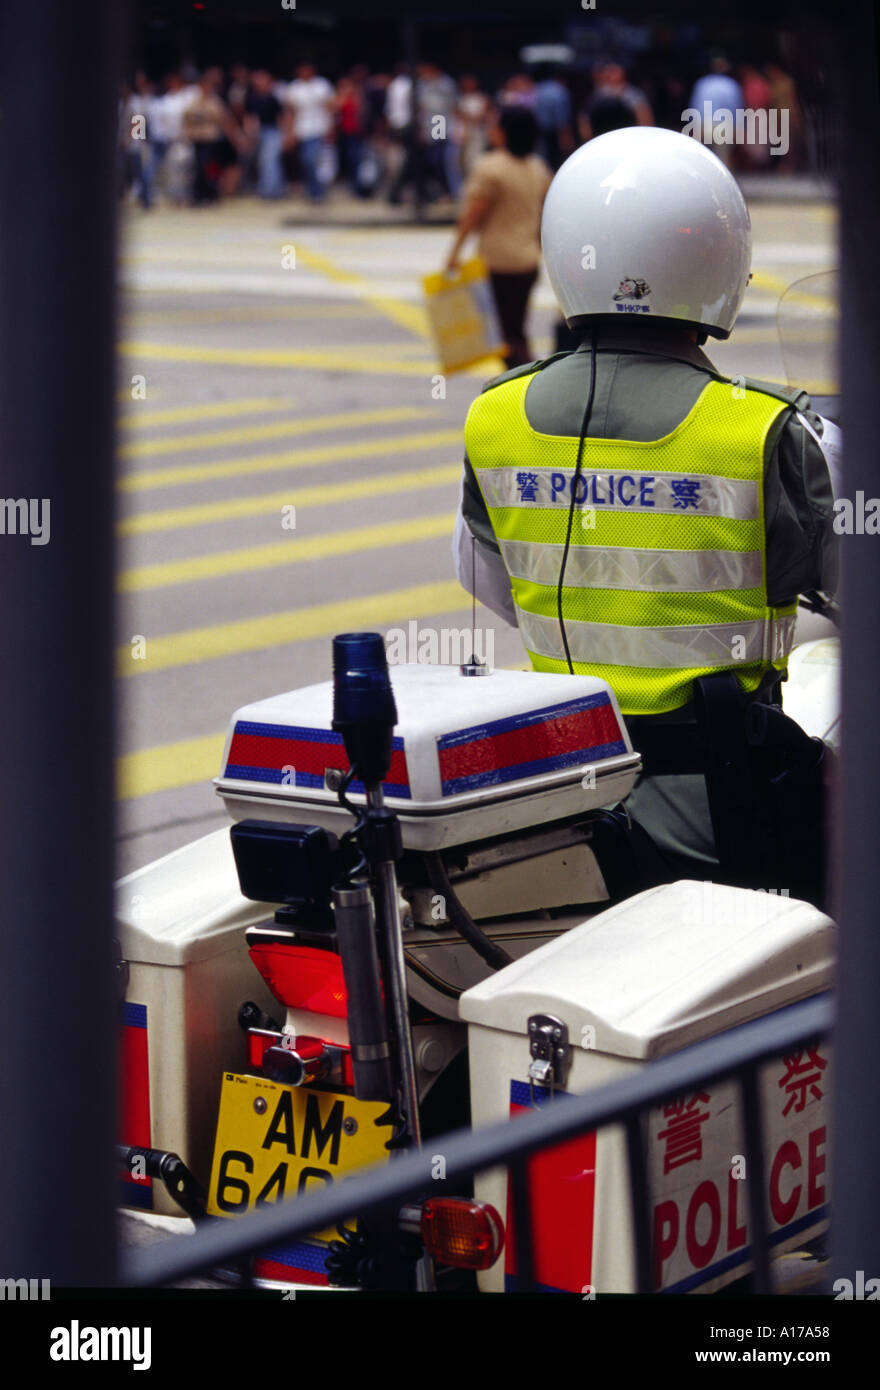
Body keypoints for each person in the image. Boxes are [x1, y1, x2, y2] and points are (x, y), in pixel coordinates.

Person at [454, 127, 839, 883]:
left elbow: (491, 587)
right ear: (724, 262)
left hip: (557, 799)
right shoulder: (767, 432)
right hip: (723, 818)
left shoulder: (491, 417)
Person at [445, 106, 552, 368]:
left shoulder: (490, 168)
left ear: (503, 132)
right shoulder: (538, 168)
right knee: (515, 328)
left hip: (497, 262)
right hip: (527, 261)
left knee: (503, 334)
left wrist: (454, 254)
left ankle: (523, 384)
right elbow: (544, 218)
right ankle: (524, 379)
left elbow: (472, 217)